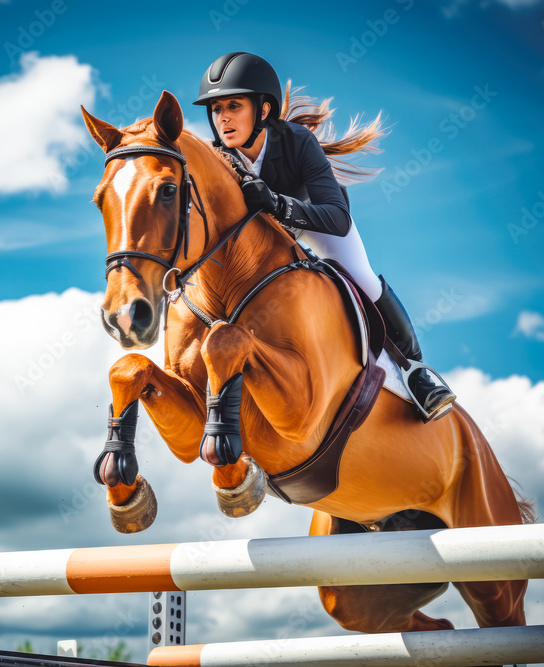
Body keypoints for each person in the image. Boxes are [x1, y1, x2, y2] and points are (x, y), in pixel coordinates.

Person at [192, 52, 455, 422]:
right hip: (262, 239)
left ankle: (416, 372)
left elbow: (338, 217)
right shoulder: (218, 158)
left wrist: (278, 205)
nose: (222, 117)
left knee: (360, 277)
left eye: (234, 105)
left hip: (316, 223)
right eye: (216, 108)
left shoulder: (297, 141)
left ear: (264, 110)